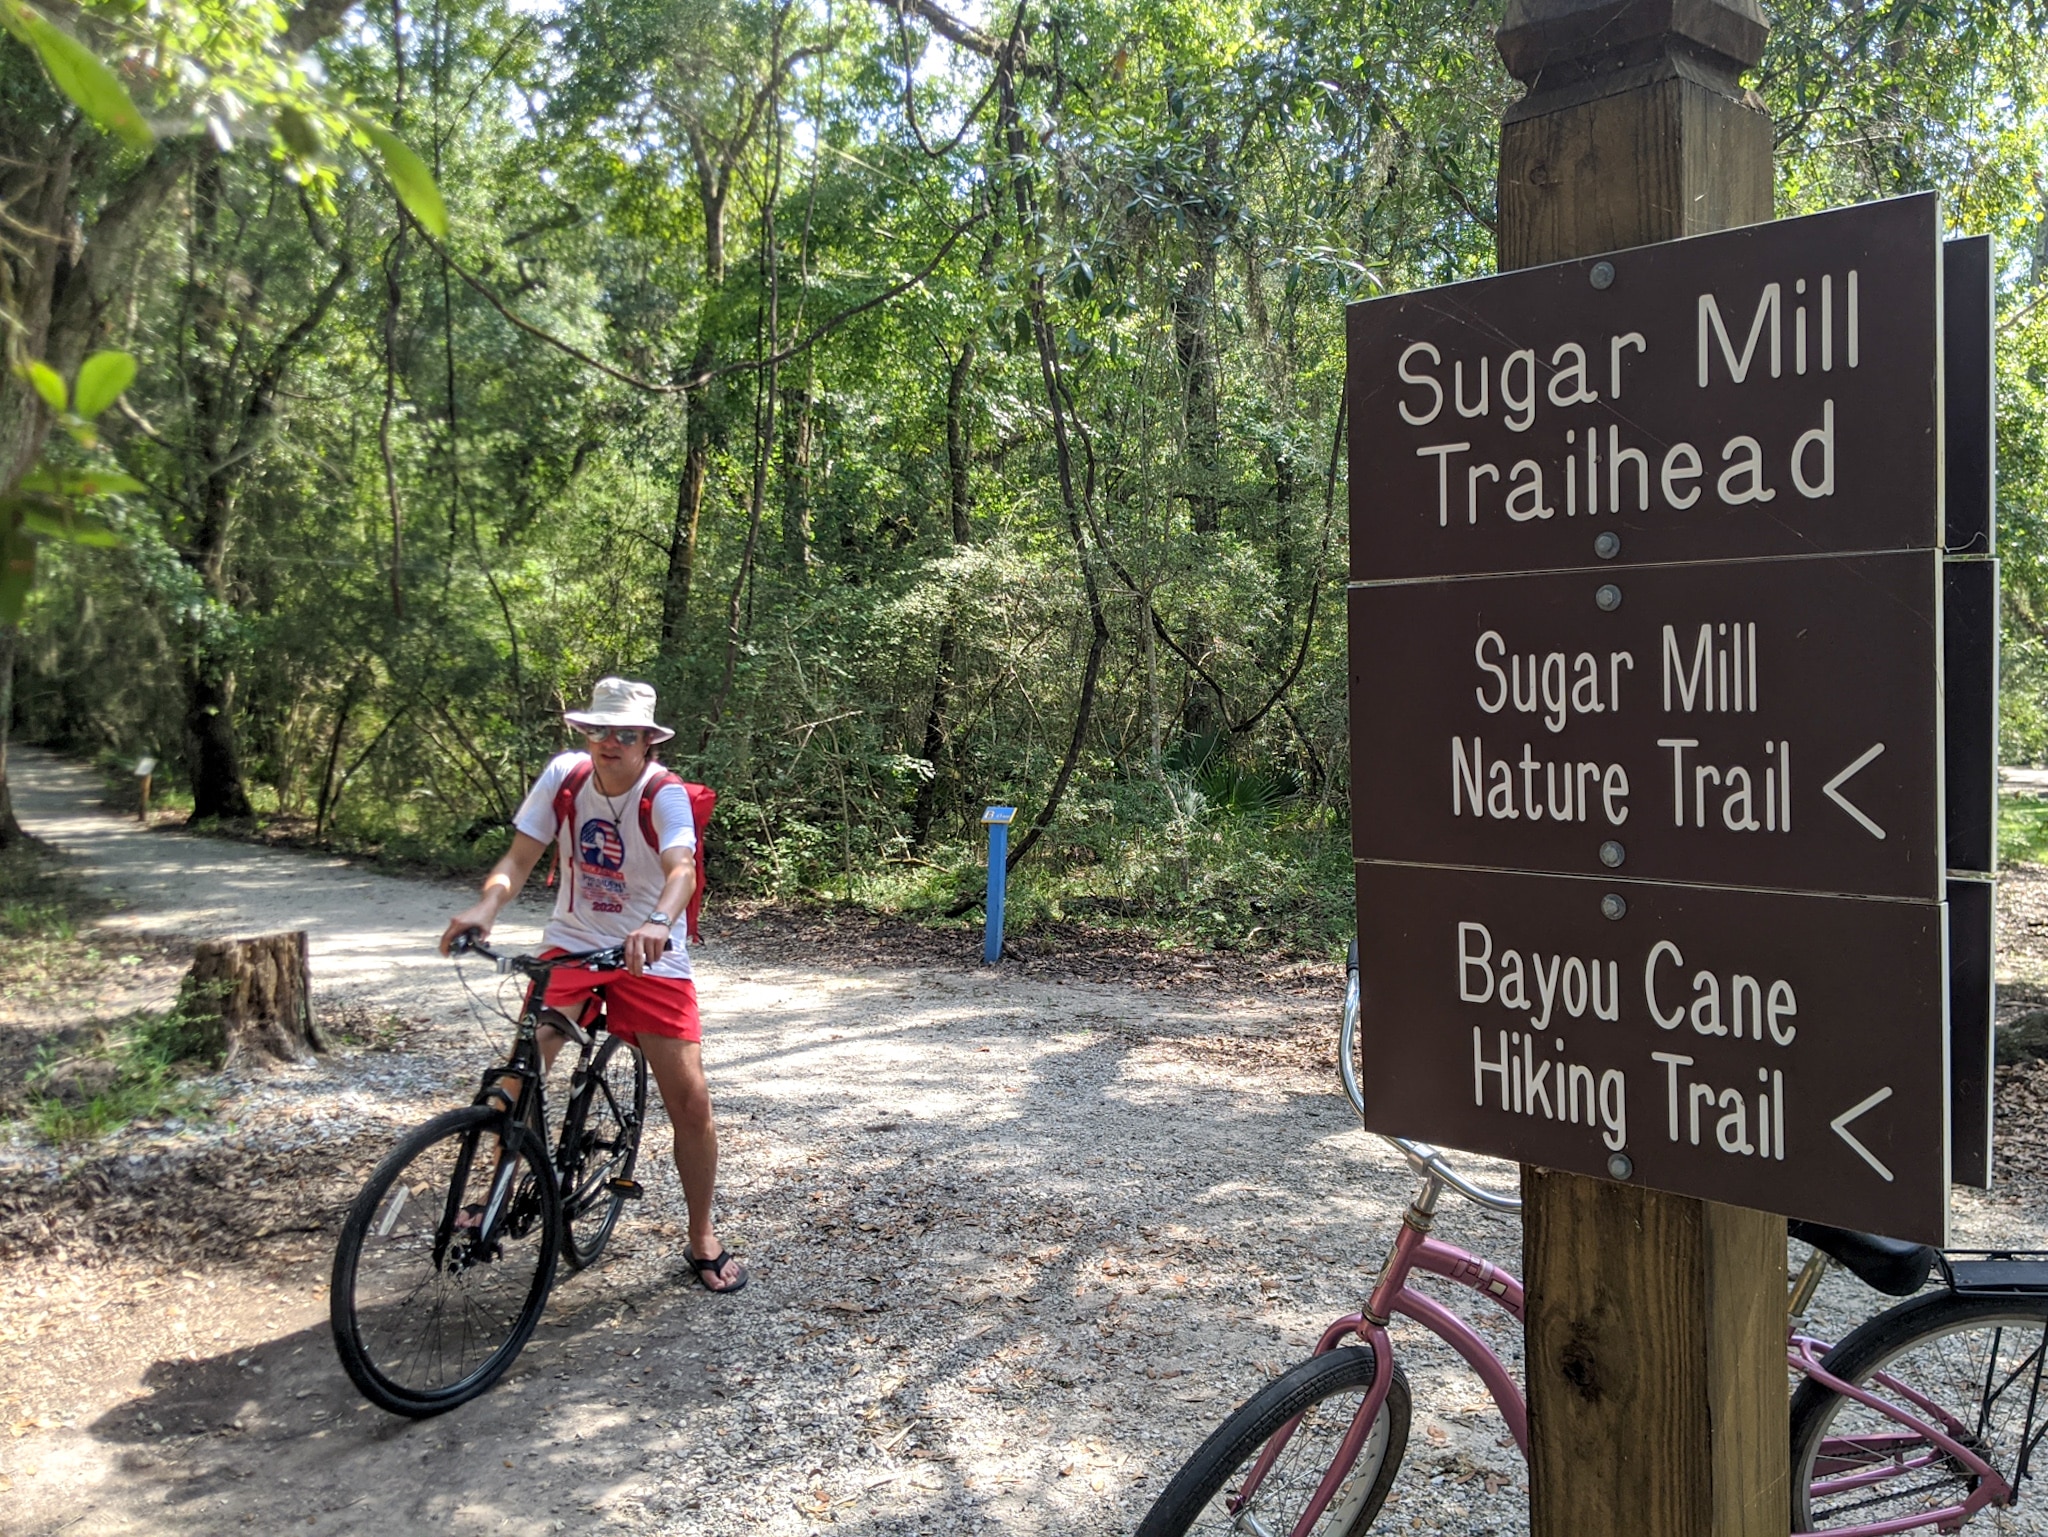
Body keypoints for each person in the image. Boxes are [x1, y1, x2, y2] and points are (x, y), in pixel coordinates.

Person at [438, 677, 746, 1294]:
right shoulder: (565, 777)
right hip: (575, 943)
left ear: (647, 742)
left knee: (690, 1101)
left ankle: (702, 1235)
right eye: (598, 729)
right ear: (584, 733)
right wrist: (485, 909)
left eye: (624, 733)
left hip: (649, 952)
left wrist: (659, 921)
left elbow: (681, 869)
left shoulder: (663, 795)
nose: (609, 742)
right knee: (520, 1073)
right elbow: (520, 857)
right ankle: (492, 1197)